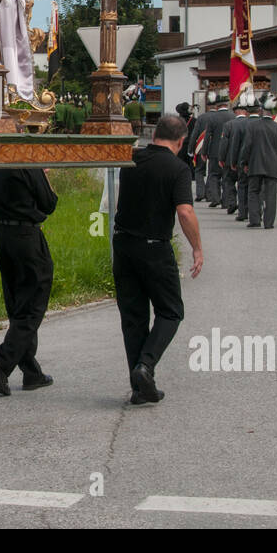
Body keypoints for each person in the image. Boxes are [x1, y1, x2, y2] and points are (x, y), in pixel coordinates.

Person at [112, 114, 203, 404]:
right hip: (155, 247)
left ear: (154, 135)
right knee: (170, 311)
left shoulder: (132, 160)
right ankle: (146, 366)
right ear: (180, 141)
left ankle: (140, 387)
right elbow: (185, 211)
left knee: (133, 317)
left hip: (123, 244)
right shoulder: (177, 168)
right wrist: (197, 248)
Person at [0, 166, 58, 396]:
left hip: (2, 234)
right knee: (33, 305)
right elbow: (49, 203)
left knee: (17, 303)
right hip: (26, 236)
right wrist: (45, 177)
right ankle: (1, 361)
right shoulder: (25, 163)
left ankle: (31, 371)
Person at [239, 94, 277, 229]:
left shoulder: (253, 126)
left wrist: (244, 162)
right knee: (271, 195)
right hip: (273, 165)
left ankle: (255, 219)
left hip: (255, 164)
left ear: (261, 110)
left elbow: (247, 146)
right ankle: (269, 223)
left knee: (253, 192)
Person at [218, 96, 252, 220]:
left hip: (230, 159)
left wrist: (221, 158)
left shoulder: (229, 125)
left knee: (229, 182)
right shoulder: (252, 123)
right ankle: (246, 208)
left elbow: (224, 143)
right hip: (247, 160)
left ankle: (232, 203)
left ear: (236, 111)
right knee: (246, 185)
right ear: (245, 111)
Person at [201, 92, 232, 207]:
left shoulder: (212, 117)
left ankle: (215, 198)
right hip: (228, 151)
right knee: (226, 177)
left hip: (214, 151)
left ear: (217, 106)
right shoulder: (232, 116)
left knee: (214, 175)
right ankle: (226, 201)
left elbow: (207, 136)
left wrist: (204, 152)